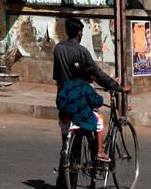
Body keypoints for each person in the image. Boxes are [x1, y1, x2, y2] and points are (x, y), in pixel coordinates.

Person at [53, 16, 128, 164]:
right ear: (79, 33)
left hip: (62, 100)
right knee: (95, 120)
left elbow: (57, 77)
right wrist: (117, 87)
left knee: (66, 142)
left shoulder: (58, 49)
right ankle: (98, 151)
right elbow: (98, 74)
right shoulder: (82, 51)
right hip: (80, 103)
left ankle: (65, 166)